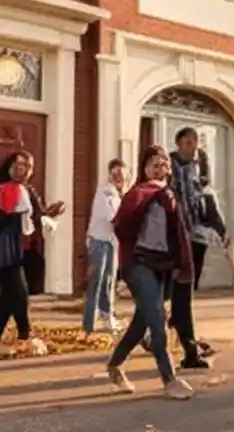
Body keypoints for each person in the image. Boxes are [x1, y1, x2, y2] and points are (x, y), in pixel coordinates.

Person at [105, 144, 196, 401]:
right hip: (137, 263)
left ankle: (115, 365)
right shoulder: (137, 194)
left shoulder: (170, 197)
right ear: (144, 168)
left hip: (162, 266)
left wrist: (183, 265)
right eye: (154, 163)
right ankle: (169, 379)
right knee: (157, 316)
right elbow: (121, 227)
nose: (160, 166)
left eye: (164, 163)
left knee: (142, 320)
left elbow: (179, 236)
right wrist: (147, 204)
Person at [0, 150, 64, 358]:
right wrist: (10, 216)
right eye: (19, 165)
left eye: (28, 166)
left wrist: (50, 213)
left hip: (26, 250)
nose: (23, 171)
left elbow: (38, 215)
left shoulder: (28, 191)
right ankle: (26, 336)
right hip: (5, 250)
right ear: (8, 167)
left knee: (10, 297)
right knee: (19, 292)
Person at [164, 127, 224, 370]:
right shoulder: (170, 166)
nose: (193, 147)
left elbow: (204, 197)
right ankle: (188, 348)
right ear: (178, 144)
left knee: (185, 292)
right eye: (188, 142)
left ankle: (173, 335)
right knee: (178, 294)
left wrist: (217, 226)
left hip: (197, 236)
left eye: (195, 142)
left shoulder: (201, 166)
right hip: (177, 238)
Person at [83, 158, 126, 335]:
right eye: (115, 173)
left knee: (109, 282)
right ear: (109, 174)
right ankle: (89, 325)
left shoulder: (119, 194)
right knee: (96, 282)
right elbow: (114, 218)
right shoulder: (105, 193)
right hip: (99, 241)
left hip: (110, 242)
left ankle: (107, 318)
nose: (118, 177)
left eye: (121, 174)